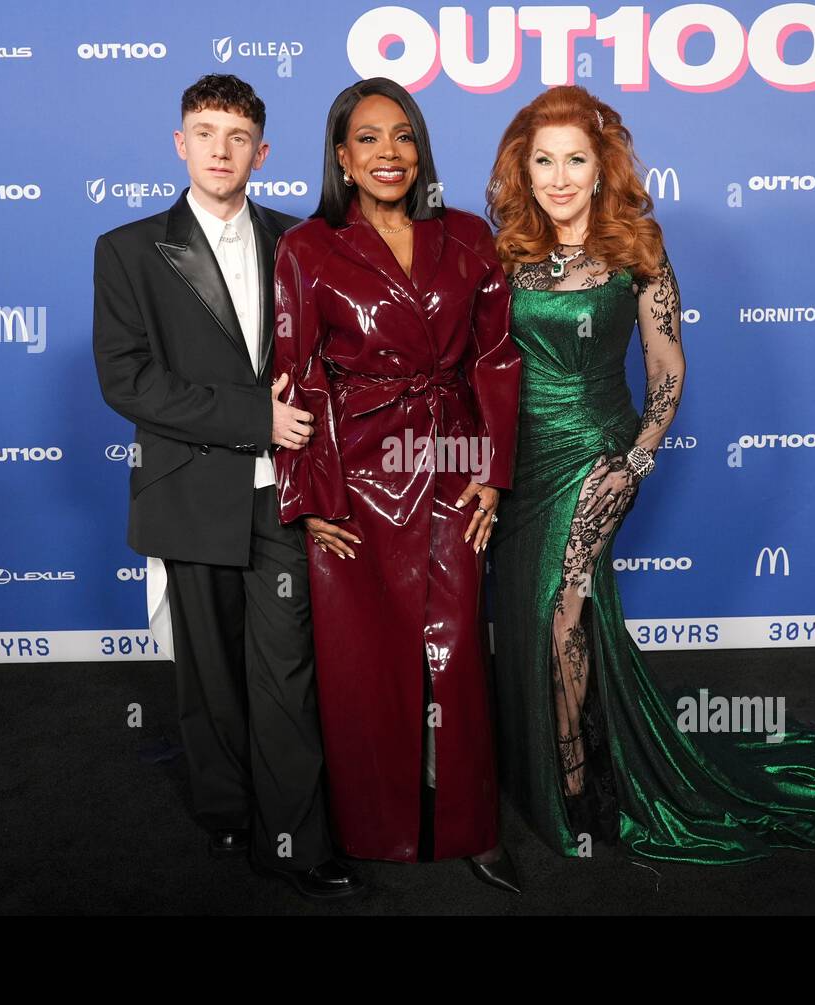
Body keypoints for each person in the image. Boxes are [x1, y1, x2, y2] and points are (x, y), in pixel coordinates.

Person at [485, 85, 815, 866]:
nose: (559, 177)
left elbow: (666, 363)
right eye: (543, 161)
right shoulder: (507, 252)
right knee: (531, 611)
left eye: (575, 160)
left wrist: (640, 454)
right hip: (520, 465)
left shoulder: (637, 249)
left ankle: (572, 785)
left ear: (602, 169)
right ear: (522, 170)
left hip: (599, 451)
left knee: (561, 609)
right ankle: (568, 754)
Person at [92, 74, 361, 899]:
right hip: (189, 489)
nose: (220, 148)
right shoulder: (128, 249)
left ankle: (295, 837)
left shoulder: (303, 241)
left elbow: (330, 362)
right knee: (209, 677)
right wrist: (254, 417)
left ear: (262, 152)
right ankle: (227, 812)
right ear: (181, 143)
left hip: (283, 493)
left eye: (237, 136)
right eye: (205, 132)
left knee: (286, 668)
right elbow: (126, 379)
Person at [271, 77, 524, 892]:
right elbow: (297, 377)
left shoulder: (468, 236)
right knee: (361, 659)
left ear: (421, 151)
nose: (390, 153)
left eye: (404, 136)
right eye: (370, 139)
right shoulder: (308, 247)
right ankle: (371, 825)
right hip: (357, 470)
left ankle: (471, 824)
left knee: (455, 657)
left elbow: (494, 358)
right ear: (342, 157)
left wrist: (491, 472)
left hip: (449, 461)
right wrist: (311, 500)